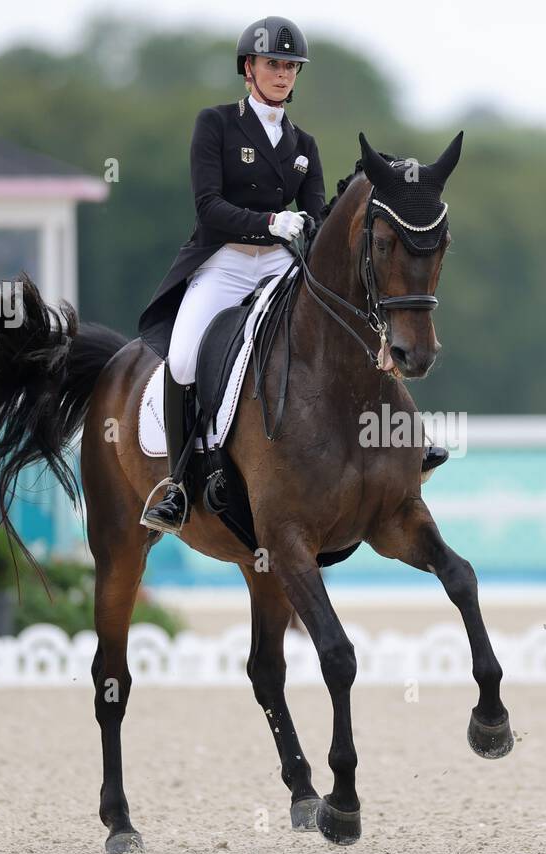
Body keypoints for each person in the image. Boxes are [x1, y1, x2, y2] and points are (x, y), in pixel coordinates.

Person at [136, 16, 445, 536]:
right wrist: (269, 221)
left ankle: (407, 438)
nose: (282, 74)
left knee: (357, 328)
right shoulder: (215, 125)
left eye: (289, 67)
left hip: (281, 265)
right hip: (224, 262)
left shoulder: (304, 143)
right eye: (272, 64)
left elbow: (319, 217)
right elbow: (208, 206)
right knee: (186, 356)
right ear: (249, 69)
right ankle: (179, 482)